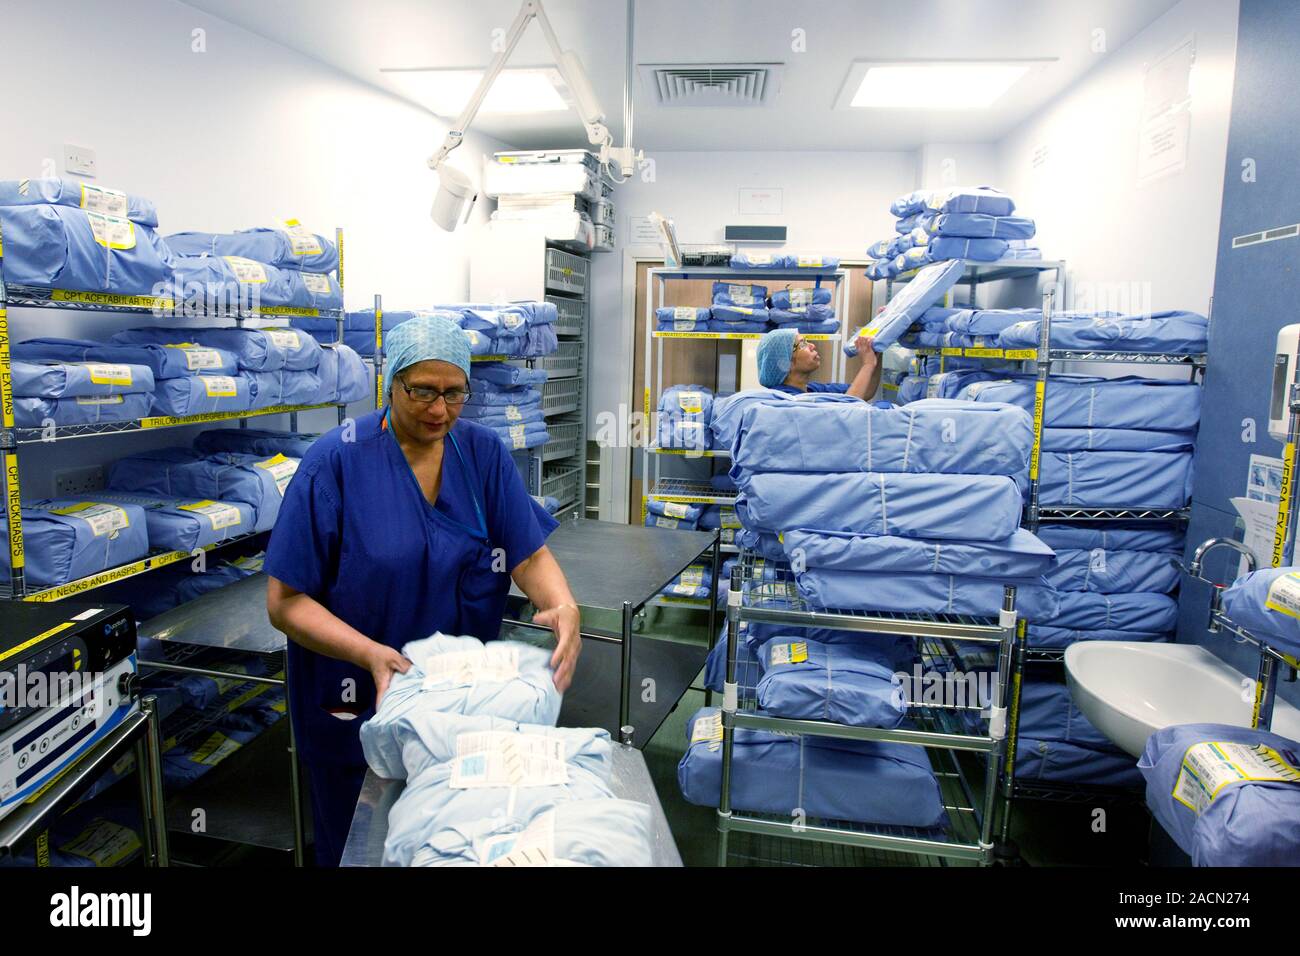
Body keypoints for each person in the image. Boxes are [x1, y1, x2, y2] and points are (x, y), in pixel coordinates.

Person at [263, 313, 581, 866]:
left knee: (453, 844)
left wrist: (560, 602)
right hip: (356, 698)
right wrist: (370, 655)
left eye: (455, 393)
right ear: (391, 383)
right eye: (424, 392)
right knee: (360, 843)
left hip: (458, 707)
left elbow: (528, 553)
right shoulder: (334, 463)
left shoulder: (481, 454)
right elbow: (285, 603)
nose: (440, 410)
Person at [756, 327, 881, 399]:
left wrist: (877, 349)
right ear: (785, 364)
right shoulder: (786, 400)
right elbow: (849, 408)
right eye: (802, 344)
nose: (812, 345)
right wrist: (867, 365)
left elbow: (866, 391)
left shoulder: (811, 389)